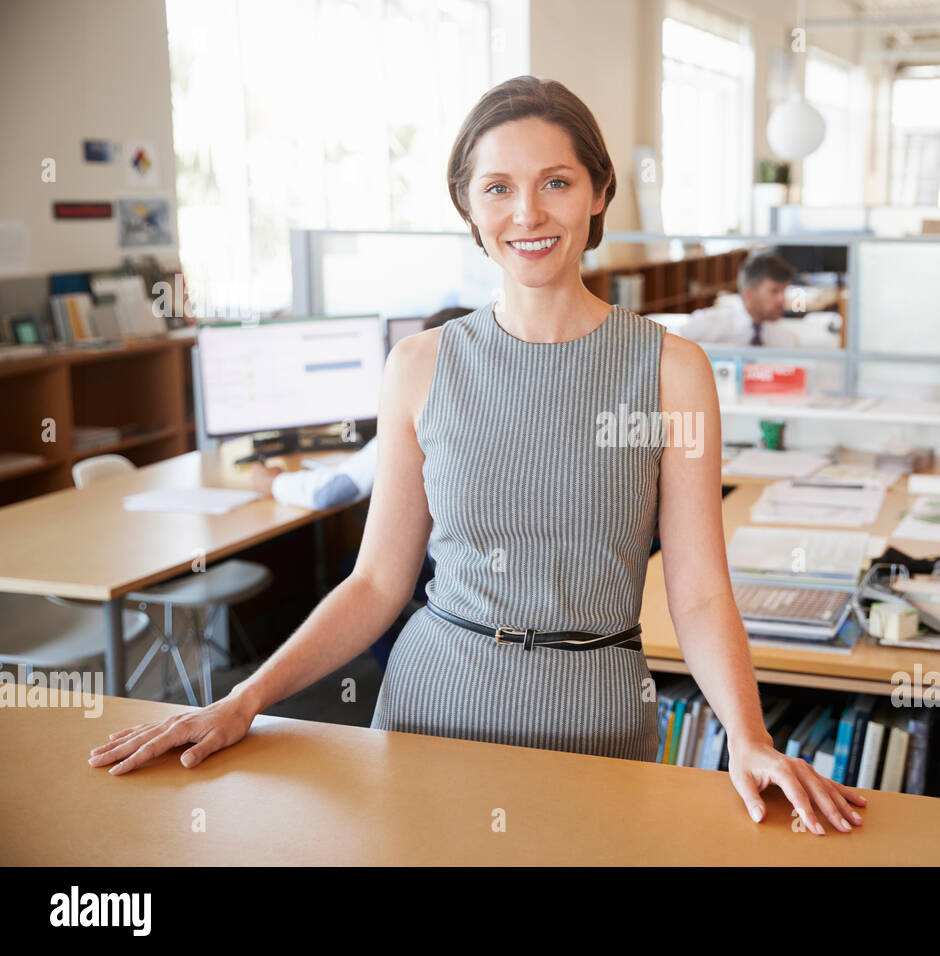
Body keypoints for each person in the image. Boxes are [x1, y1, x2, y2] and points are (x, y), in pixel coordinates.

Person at [89, 76, 865, 836]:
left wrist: (749, 736)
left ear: (598, 192)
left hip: (595, 726)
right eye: (497, 187)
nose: (526, 212)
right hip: (431, 712)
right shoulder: (420, 365)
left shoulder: (673, 370)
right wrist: (244, 698)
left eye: (555, 182)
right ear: (468, 204)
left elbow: (697, 594)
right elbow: (375, 583)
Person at [246, 306, 474, 668]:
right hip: (482, 584)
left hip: (445, 576)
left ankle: (395, 676)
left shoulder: (422, 415)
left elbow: (329, 492)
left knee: (356, 571)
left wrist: (273, 482)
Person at [676, 247, 800, 347]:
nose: (782, 299)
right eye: (774, 291)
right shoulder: (710, 324)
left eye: (784, 291)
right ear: (750, 294)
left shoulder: (785, 339)